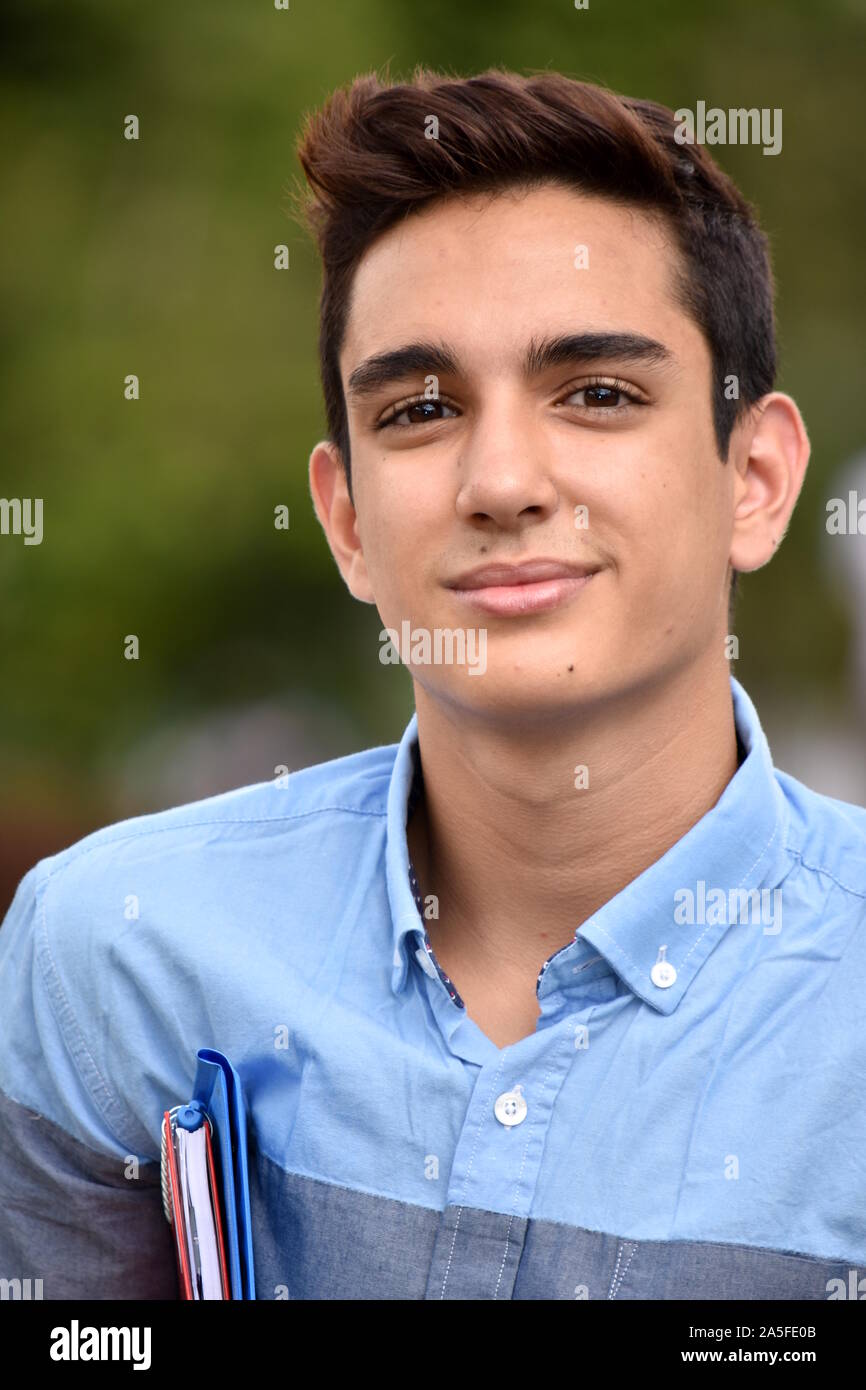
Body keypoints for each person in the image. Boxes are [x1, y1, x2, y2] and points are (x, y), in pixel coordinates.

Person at [1, 66, 864, 1302]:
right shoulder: (116, 956)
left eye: (598, 393)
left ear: (757, 479)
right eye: (417, 408)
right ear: (346, 518)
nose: (500, 479)